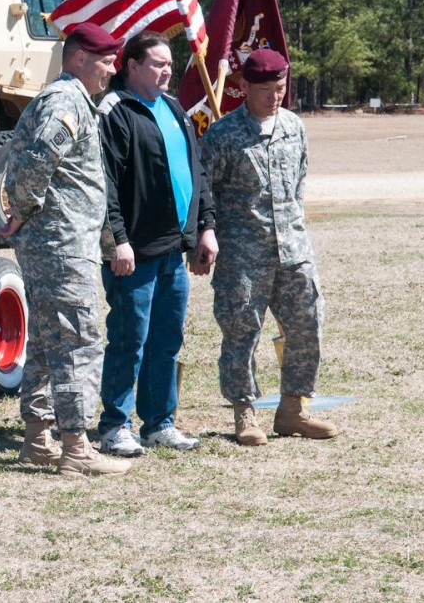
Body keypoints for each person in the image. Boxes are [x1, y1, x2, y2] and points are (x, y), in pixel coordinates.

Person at [0, 22, 131, 477]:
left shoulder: (74, 100)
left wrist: (109, 243)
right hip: (60, 244)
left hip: (62, 242)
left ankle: (38, 438)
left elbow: (82, 182)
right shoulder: (65, 101)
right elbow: (37, 160)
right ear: (79, 58)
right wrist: (22, 209)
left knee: (48, 339)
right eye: (106, 61)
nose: (112, 70)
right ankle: (76, 446)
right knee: (78, 339)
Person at [200, 47, 339, 446]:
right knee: (241, 331)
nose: (274, 96)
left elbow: (298, 182)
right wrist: (208, 235)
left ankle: (293, 409)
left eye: (280, 88)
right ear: (244, 87)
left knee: (307, 323)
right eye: (265, 89)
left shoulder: (294, 126)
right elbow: (206, 192)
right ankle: (244, 411)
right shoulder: (224, 135)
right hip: (243, 254)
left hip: (293, 249)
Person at [96, 32, 217, 456]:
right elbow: (105, 186)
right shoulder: (114, 111)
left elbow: (197, 171)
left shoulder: (174, 108)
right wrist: (118, 241)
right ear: (131, 65)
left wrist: (205, 227)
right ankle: (115, 425)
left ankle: (159, 423)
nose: (167, 71)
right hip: (133, 254)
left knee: (166, 340)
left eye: (169, 64)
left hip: (173, 251)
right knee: (129, 340)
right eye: (158, 63)